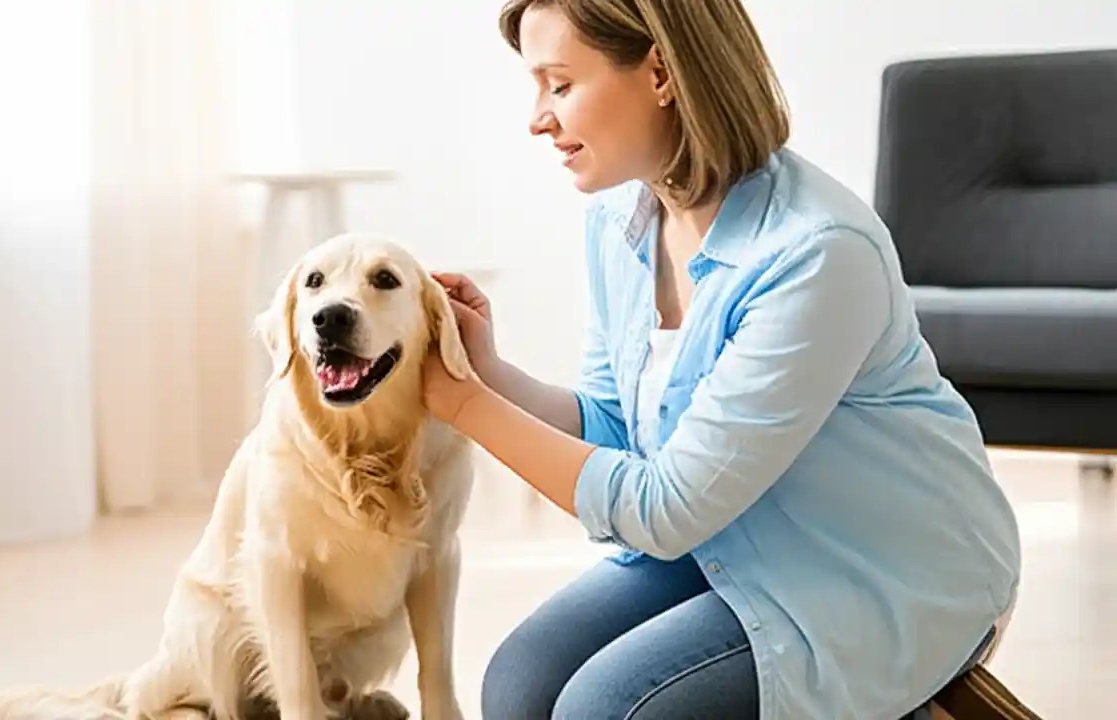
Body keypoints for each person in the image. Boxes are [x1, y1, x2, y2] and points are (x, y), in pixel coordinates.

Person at [419, 1, 1031, 719]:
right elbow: (615, 427)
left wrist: (462, 406)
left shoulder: (816, 253)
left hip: (883, 571)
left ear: (659, 72)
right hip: (733, 537)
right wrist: (485, 372)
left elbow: (664, 511)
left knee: (604, 710)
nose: (538, 118)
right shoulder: (621, 221)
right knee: (518, 683)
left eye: (559, 84)